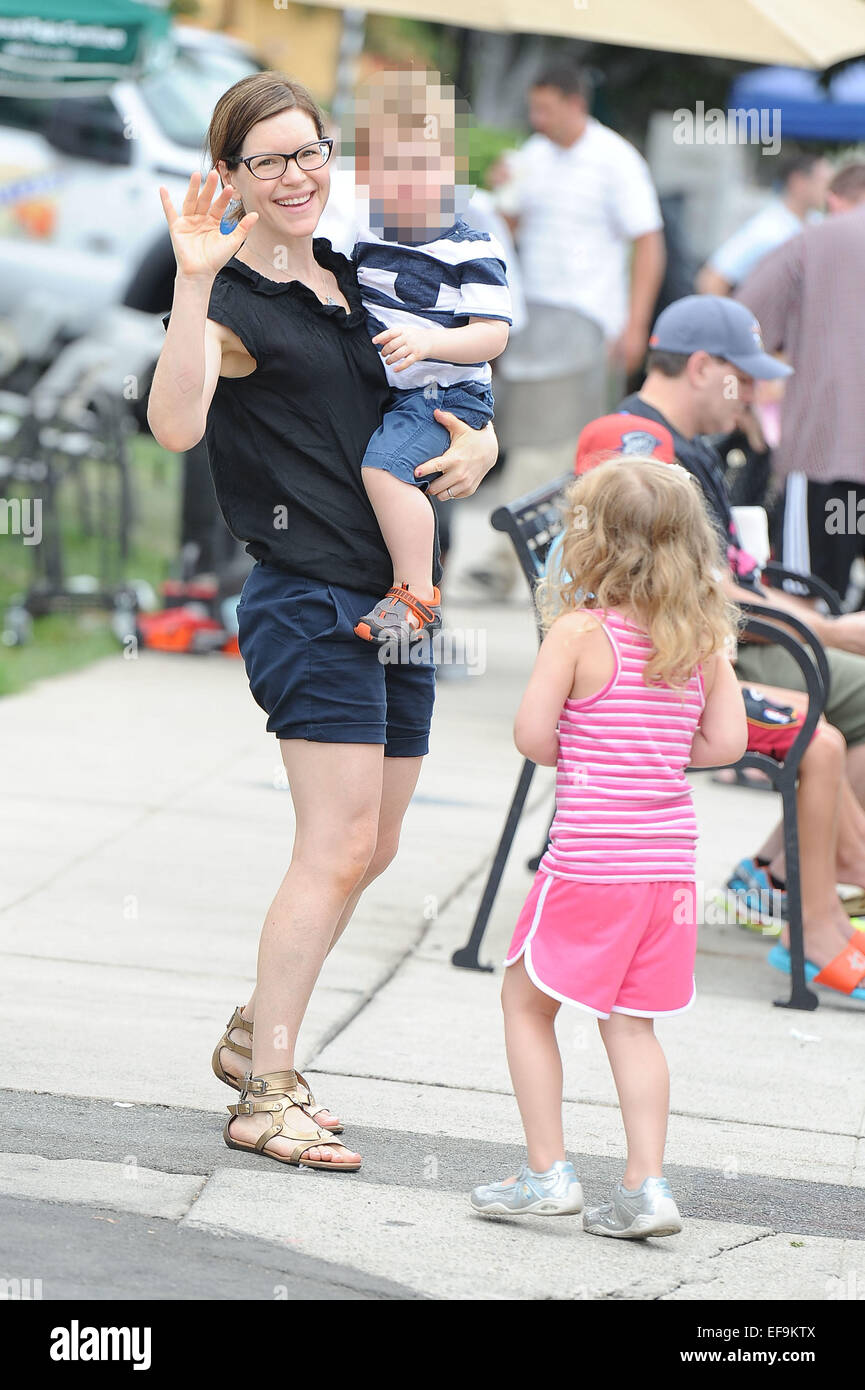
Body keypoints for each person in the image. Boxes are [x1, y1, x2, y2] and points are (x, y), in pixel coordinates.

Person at [147, 72, 498, 1173]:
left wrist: (477, 446)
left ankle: (260, 1025)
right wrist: (194, 285)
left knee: (375, 844)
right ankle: (267, 1088)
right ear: (231, 176)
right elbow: (171, 424)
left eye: (310, 153)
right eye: (270, 161)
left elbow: (429, 397)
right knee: (335, 844)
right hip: (311, 597)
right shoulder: (232, 305)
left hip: (393, 600)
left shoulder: (351, 277)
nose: (298, 175)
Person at [469, 457, 746, 1234]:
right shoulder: (703, 637)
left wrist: (593, 747)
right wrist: (654, 752)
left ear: (591, 543)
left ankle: (545, 1172)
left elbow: (532, 736)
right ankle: (645, 1188)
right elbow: (725, 743)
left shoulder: (577, 632)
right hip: (668, 872)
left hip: (590, 864)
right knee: (632, 1024)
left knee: (525, 1002)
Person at [616, 297, 865, 994]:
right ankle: (824, 889)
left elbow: (720, 577)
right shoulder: (643, 447)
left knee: (839, 713)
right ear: (702, 367)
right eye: (744, 379)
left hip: (710, 649)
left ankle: (786, 878)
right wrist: (831, 627)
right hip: (670, 668)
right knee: (818, 732)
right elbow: (694, 587)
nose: (755, 394)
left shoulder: (676, 443)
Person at [465, 60, 665, 597]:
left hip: (587, 319)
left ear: (576, 104)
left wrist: (636, 323)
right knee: (537, 438)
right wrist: (501, 196)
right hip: (533, 314)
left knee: (553, 442)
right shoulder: (532, 156)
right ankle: (546, 562)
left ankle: (508, 557)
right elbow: (507, 230)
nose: (535, 117)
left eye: (545, 107)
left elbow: (648, 240)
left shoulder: (615, 160)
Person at [349, 70, 511, 643]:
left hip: (444, 393)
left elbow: (493, 335)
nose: (409, 182)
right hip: (401, 392)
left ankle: (415, 596)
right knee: (386, 469)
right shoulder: (368, 233)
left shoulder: (471, 246)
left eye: (424, 168)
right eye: (393, 168)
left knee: (386, 472)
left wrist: (430, 343)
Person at [735, 198, 865, 602]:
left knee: (805, 598)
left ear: (836, 199)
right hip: (833, 452)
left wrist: (743, 406)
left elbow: (743, 325)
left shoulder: (816, 240)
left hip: (829, 449)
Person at [696, 152, 831, 297]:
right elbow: (711, 281)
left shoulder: (818, 221)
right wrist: (738, 318)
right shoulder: (769, 229)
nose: (829, 190)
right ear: (798, 181)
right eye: (824, 181)